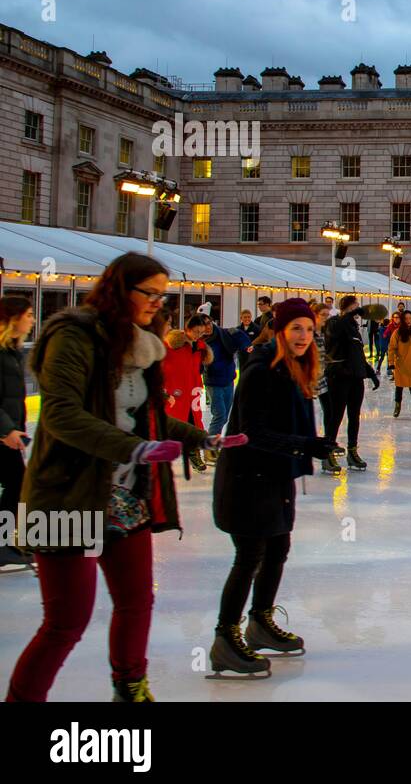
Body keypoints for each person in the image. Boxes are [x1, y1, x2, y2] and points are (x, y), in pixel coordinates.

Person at [6, 253, 222, 702]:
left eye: (163, 295)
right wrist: (135, 449)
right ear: (120, 288)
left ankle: (131, 688)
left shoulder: (140, 344)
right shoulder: (73, 335)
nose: (156, 303)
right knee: (66, 622)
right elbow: (63, 415)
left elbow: (148, 419)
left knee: (137, 602)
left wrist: (202, 438)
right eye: (150, 293)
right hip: (67, 495)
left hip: (125, 496)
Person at [210, 298, 336, 678]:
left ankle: (260, 622)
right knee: (250, 555)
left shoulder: (295, 367)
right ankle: (225, 638)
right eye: (296, 328)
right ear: (279, 329)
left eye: (310, 330)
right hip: (249, 476)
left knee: (278, 547)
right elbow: (253, 432)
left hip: (276, 473)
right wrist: (306, 445)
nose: (304, 336)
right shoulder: (261, 369)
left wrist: (305, 445)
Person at [321, 296, 381, 472]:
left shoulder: (354, 327)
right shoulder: (334, 323)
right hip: (338, 377)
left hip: (355, 377)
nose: (358, 310)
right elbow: (336, 332)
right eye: (355, 306)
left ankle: (352, 451)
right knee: (336, 415)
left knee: (354, 416)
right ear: (348, 307)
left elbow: (358, 354)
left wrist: (371, 374)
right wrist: (351, 314)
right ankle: (327, 452)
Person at [0, 296, 34, 568]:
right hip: (3, 435)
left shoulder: (11, 351)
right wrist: (6, 430)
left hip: (10, 433)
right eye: (29, 315)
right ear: (13, 319)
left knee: (17, 486)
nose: (33, 320)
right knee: (17, 485)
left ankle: (4, 544)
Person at [162, 314, 213, 472]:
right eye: (196, 331)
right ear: (188, 329)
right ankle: (161, 458)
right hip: (176, 392)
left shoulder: (200, 347)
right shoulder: (172, 346)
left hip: (193, 391)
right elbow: (160, 366)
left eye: (201, 332)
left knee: (195, 424)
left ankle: (193, 453)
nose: (198, 335)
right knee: (171, 425)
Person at [202, 315, 251, 462]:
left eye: (209, 323)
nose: (208, 326)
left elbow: (240, 337)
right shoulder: (201, 342)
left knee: (223, 416)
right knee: (219, 415)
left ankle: (213, 445)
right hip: (213, 382)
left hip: (228, 380)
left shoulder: (225, 334)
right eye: (204, 325)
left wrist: (248, 346)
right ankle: (209, 449)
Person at [390, 310, 411, 419]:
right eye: (406, 319)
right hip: (401, 365)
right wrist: (391, 362)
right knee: (399, 387)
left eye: (410, 318)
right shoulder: (397, 333)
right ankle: (397, 406)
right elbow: (392, 348)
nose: (409, 321)